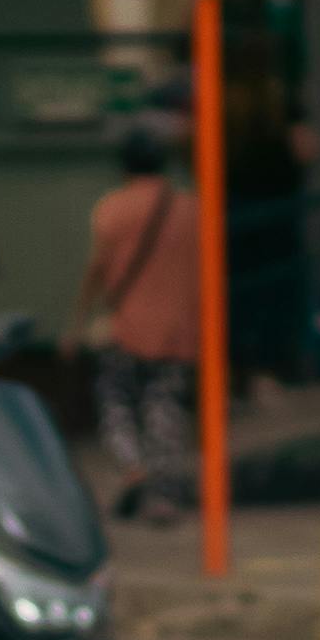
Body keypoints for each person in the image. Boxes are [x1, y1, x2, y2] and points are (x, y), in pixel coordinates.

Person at [79, 123, 199, 523]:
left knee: (116, 404)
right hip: (178, 329)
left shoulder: (112, 207)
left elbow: (98, 269)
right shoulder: (190, 208)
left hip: (126, 328)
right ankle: (164, 487)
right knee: (164, 405)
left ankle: (135, 469)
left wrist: (78, 319)